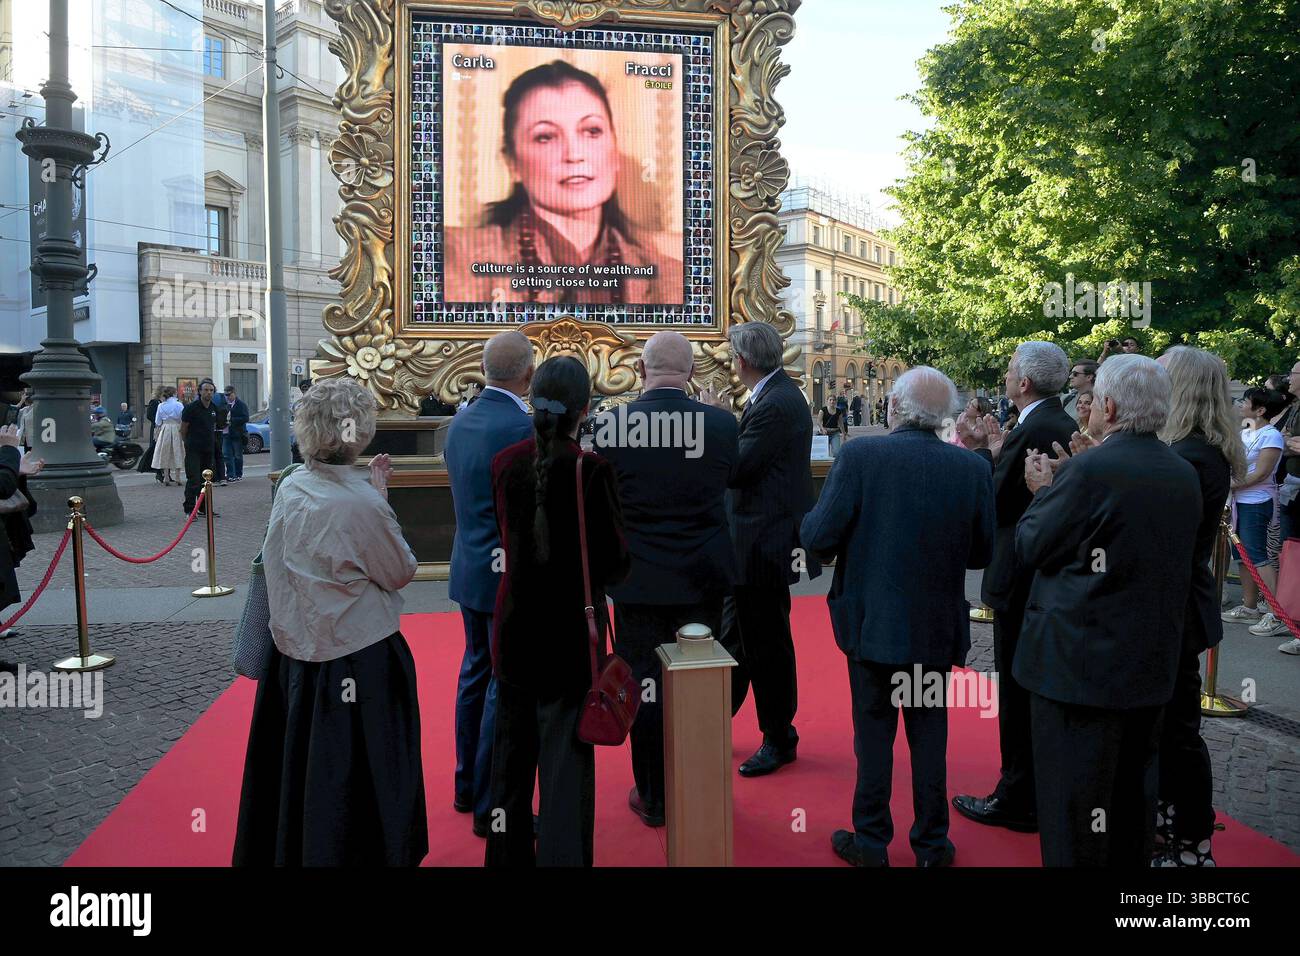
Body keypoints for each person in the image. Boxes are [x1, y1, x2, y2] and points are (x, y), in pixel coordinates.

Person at [802, 367, 994, 867]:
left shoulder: (863, 455)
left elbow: (820, 535)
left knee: (874, 735)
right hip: (932, 627)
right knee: (929, 736)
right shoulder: (971, 468)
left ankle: (872, 842)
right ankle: (931, 843)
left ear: (893, 406)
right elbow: (980, 552)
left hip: (874, 626)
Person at [1017, 354, 1200, 866]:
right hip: (1147, 664)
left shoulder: (1090, 469)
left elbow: (1033, 546)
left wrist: (1042, 491)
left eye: (1094, 399)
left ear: (1110, 405)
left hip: (1077, 667)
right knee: (1130, 803)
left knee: (1073, 808)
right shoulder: (1181, 471)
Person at [233, 378, 424, 866]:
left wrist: (372, 496)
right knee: (357, 775)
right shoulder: (359, 504)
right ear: (358, 431)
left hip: (296, 657)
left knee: (303, 770)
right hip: (356, 659)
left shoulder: (292, 484)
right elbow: (399, 570)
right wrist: (378, 501)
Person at [486, 355, 629, 867]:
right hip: (571, 638)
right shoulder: (592, 471)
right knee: (566, 770)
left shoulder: (504, 464)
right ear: (585, 409)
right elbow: (614, 563)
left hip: (515, 631)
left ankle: (507, 856)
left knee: (512, 764)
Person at [596, 331, 739, 827]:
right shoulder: (722, 426)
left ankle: (654, 796)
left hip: (637, 581)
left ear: (641, 369)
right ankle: (698, 789)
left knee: (645, 685)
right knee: (699, 685)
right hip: (702, 580)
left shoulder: (611, 426)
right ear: (692, 373)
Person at [952, 341, 1077, 834]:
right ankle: (1033, 785)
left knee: (1019, 689)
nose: (1005, 377)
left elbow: (996, 500)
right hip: (1035, 574)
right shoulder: (1052, 422)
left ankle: (1017, 793)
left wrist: (982, 451)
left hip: (1022, 574)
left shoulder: (1040, 426)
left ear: (1023, 382)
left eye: (1008, 371)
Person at [444, 60, 683, 306]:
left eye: (592, 131)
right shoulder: (456, 259)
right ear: (512, 163)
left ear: (614, 150)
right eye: (545, 137)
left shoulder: (671, 279)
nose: (574, 154)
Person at [702, 320, 820, 776]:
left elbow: (737, 467)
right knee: (737, 638)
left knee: (764, 643)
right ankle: (714, 719)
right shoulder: (776, 395)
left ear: (743, 361)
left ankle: (778, 736)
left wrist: (716, 422)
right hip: (752, 544)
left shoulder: (776, 402)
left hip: (763, 545)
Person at [1146, 346, 1245, 866]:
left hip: (1175, 608)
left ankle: (1190, 840)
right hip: (1180, 603)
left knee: (1178, 729)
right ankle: (1171, 825)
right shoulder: (1196, 448)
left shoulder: (1191, 454)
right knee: (1169, 725)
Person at [444, 331, 535, 837]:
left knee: (474, 672)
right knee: (503, 682)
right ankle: (491, 800)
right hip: (508, 576)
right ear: (526, 373)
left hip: (470, 568)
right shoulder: (523, 428)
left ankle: (465, 784)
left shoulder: (461, 422)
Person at [1221, 387, 1287, 624]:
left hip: (1257, 501)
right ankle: (1249, 607)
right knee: (1242, 555)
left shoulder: (1271, 435)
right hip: (1239, 501)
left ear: (1260, 410)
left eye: (1246, 401)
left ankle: (1274, 611)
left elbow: (1261, 473)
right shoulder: (1245, 431)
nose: (1241, 404)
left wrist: (1229, 484)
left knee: (1258, 556)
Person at [180, 381, 219, 516]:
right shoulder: (191, 408)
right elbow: (183, 428)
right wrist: (187, 443)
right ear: (200, 391)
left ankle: (204, 508)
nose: (208, 392)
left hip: (208, 450)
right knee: (194, 480)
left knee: (206, 481)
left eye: (211, 390)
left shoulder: (214, 408)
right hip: (193, 449)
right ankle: (190, 509)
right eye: (206, 390)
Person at [152, 387, 184, 486]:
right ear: (174, 393)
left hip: (165, 428)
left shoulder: (161, 405)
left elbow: (157, 421)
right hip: (176, 428)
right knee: (178, 451)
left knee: (165, 451)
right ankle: (178, 477)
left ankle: (166, 477)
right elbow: (182, 417)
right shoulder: (179, 404)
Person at [223, 386, 249, 482]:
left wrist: (232, 421)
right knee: (227, 455)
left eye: (229, 395)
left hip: (237, 434)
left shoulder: (241, 404)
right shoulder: (224, 404)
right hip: (226, 433)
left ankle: (238, 474)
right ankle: (230, 475)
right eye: (226, 395)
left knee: (237, 455)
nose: (227, 397)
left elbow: (245, 418)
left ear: (234, 393)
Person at [138, 386, 165, 479]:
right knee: (156, 448)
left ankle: (163, 472)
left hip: (163, 427)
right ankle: (158, 472)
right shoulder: (154, 402)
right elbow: (149, 415)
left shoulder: (162, 402)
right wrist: (158, 421)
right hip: (156, 428)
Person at [820, 392, 845, 457]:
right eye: (830, 400)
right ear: (827, 401)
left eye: (833, 400)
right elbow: (819, 421)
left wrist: (843, 434)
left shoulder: (838, 411)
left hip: (835, 433)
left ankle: (835, 466)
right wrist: (822, 429)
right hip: (825, 433)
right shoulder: (823, 410)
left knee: (836, 452)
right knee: (824, 453)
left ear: (835, 401)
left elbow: (841, 423)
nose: (832, 401)